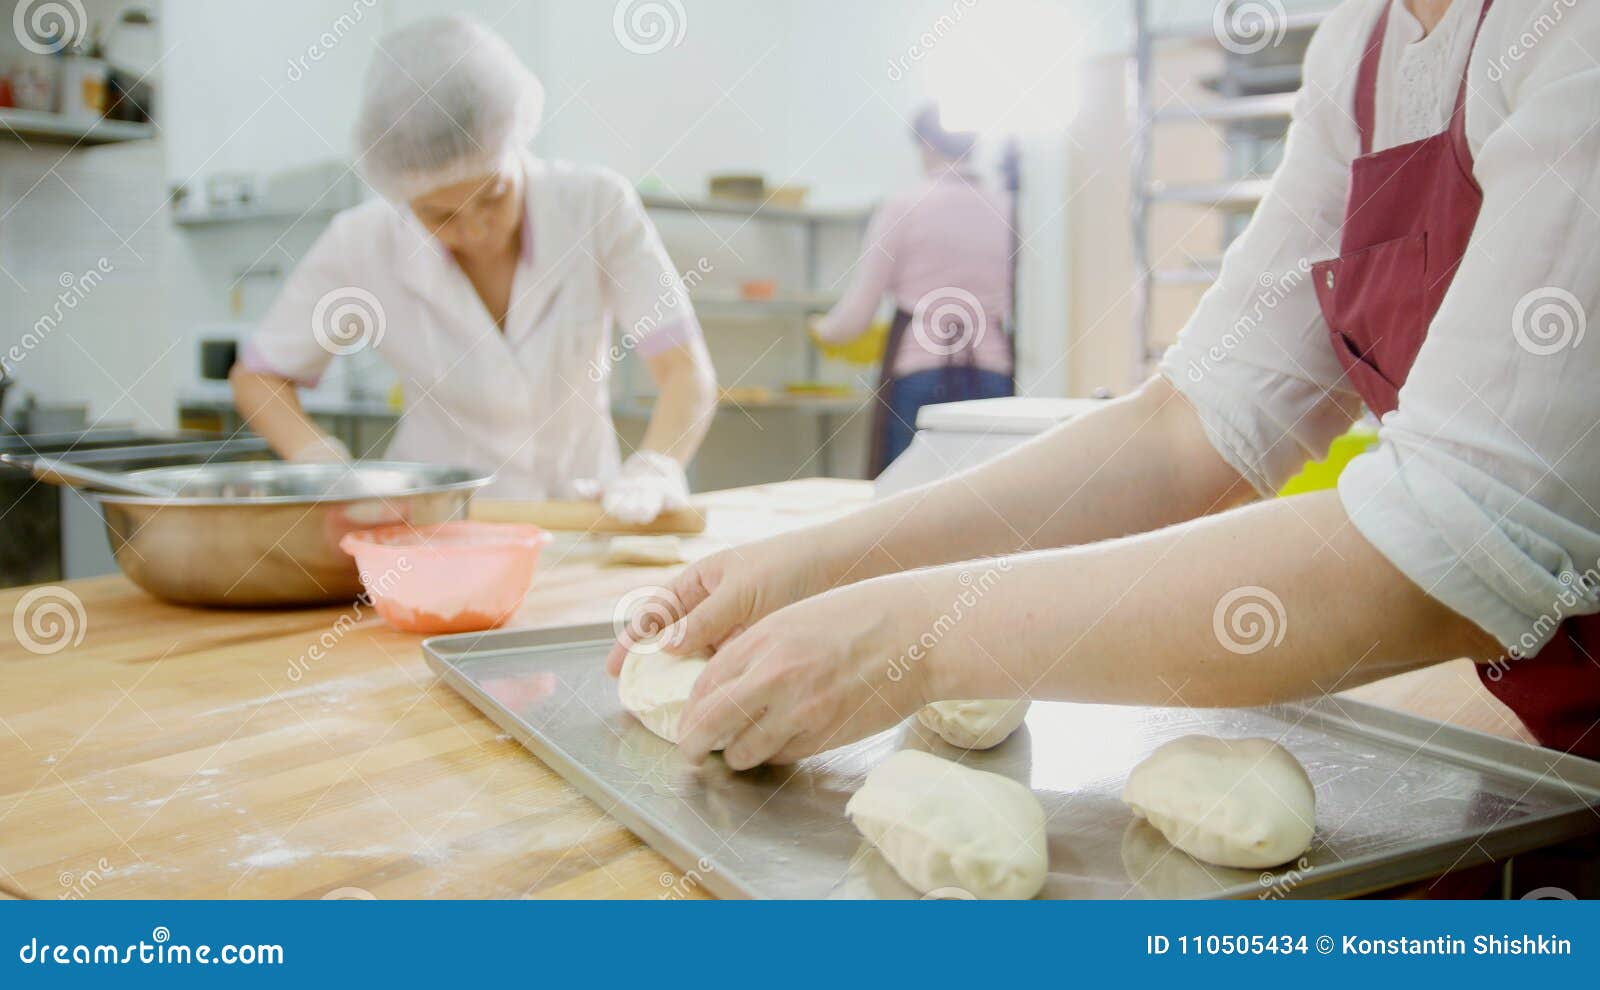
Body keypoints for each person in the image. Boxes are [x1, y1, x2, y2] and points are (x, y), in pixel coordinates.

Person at [608, 0, 1600, 770]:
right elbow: (1188, 432)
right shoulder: (1363, 49)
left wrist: (912, 638)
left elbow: (1451, 545)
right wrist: (817, 564)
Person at [232, 15, 717, 521]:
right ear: (401, 194)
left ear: (516, 143)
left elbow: (683, 369)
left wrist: (657, 463)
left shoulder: (596, 206)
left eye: (493, 196)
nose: (477, 228)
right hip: (435, 530)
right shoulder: (361, 242)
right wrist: (323, 464)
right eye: (441, 215)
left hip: (581, 518)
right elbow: (259, 378)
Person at [811, 104, 1014, 476]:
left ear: (925, 143)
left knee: (907, 503)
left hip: (921, 374)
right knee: (989, 501)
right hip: (992, 372)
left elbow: (858, 314)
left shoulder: (904, 205)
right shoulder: (1007, 208)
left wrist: (821, 330)